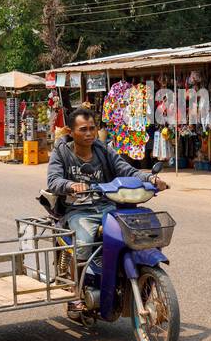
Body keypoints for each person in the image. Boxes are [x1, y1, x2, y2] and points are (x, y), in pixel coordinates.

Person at [46, 107, 168, 319]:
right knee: (83, 246)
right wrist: (71, 185)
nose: (89, 133)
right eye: (83, 129)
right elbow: (53, 180)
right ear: (71, 131)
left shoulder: (103, 150)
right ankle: (76, 295)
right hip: (78, 212)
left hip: (108, 206)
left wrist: (150, 180)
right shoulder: (61, 152)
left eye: (92, 128)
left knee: (137, 234)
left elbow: (127, 170)